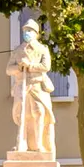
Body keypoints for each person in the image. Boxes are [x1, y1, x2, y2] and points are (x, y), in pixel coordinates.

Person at [7, 18, 57, 154]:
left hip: (37, 85)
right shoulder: (17, 51)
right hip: (21, 87)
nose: (27, 33)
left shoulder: (42, 49)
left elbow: (46, 66)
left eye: (29, 31)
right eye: (25, 31)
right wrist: (19, 66)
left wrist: (30, 66)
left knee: (39, 112)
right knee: (23, 114)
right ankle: (21, 144)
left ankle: (39, 144)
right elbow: (8, 70)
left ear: (36, 33)